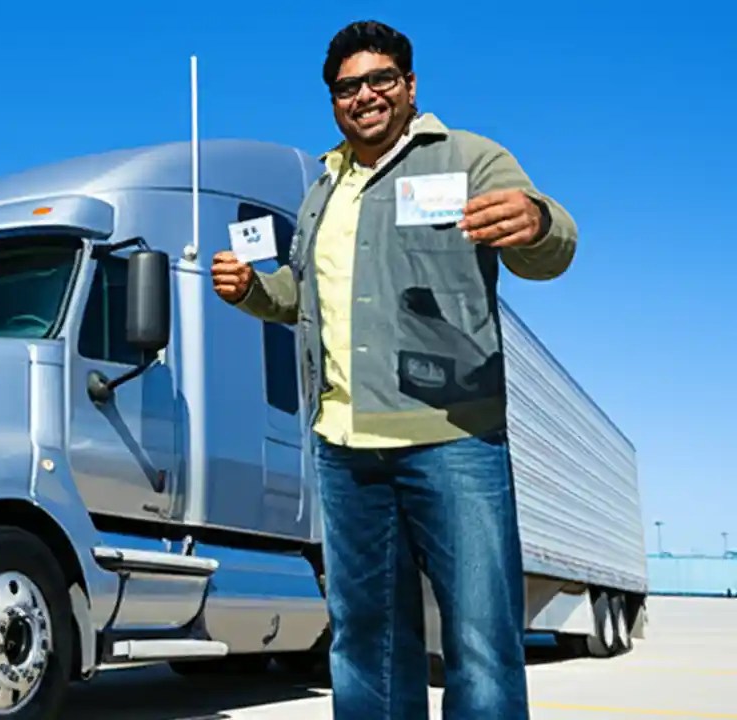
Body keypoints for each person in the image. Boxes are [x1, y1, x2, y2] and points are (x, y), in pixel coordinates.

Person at [211, 19, 578, 720]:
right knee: (367, 641)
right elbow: (302, 296)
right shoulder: (322, 191)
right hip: (345, 449)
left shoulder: (468, 157)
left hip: (452, 438)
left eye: (381, 79)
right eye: (348, 87)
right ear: (333, 101)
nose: (365, 96)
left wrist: (537, 220)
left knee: (480, 639)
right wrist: (252, 290)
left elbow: (546, 250)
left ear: (410, 87)